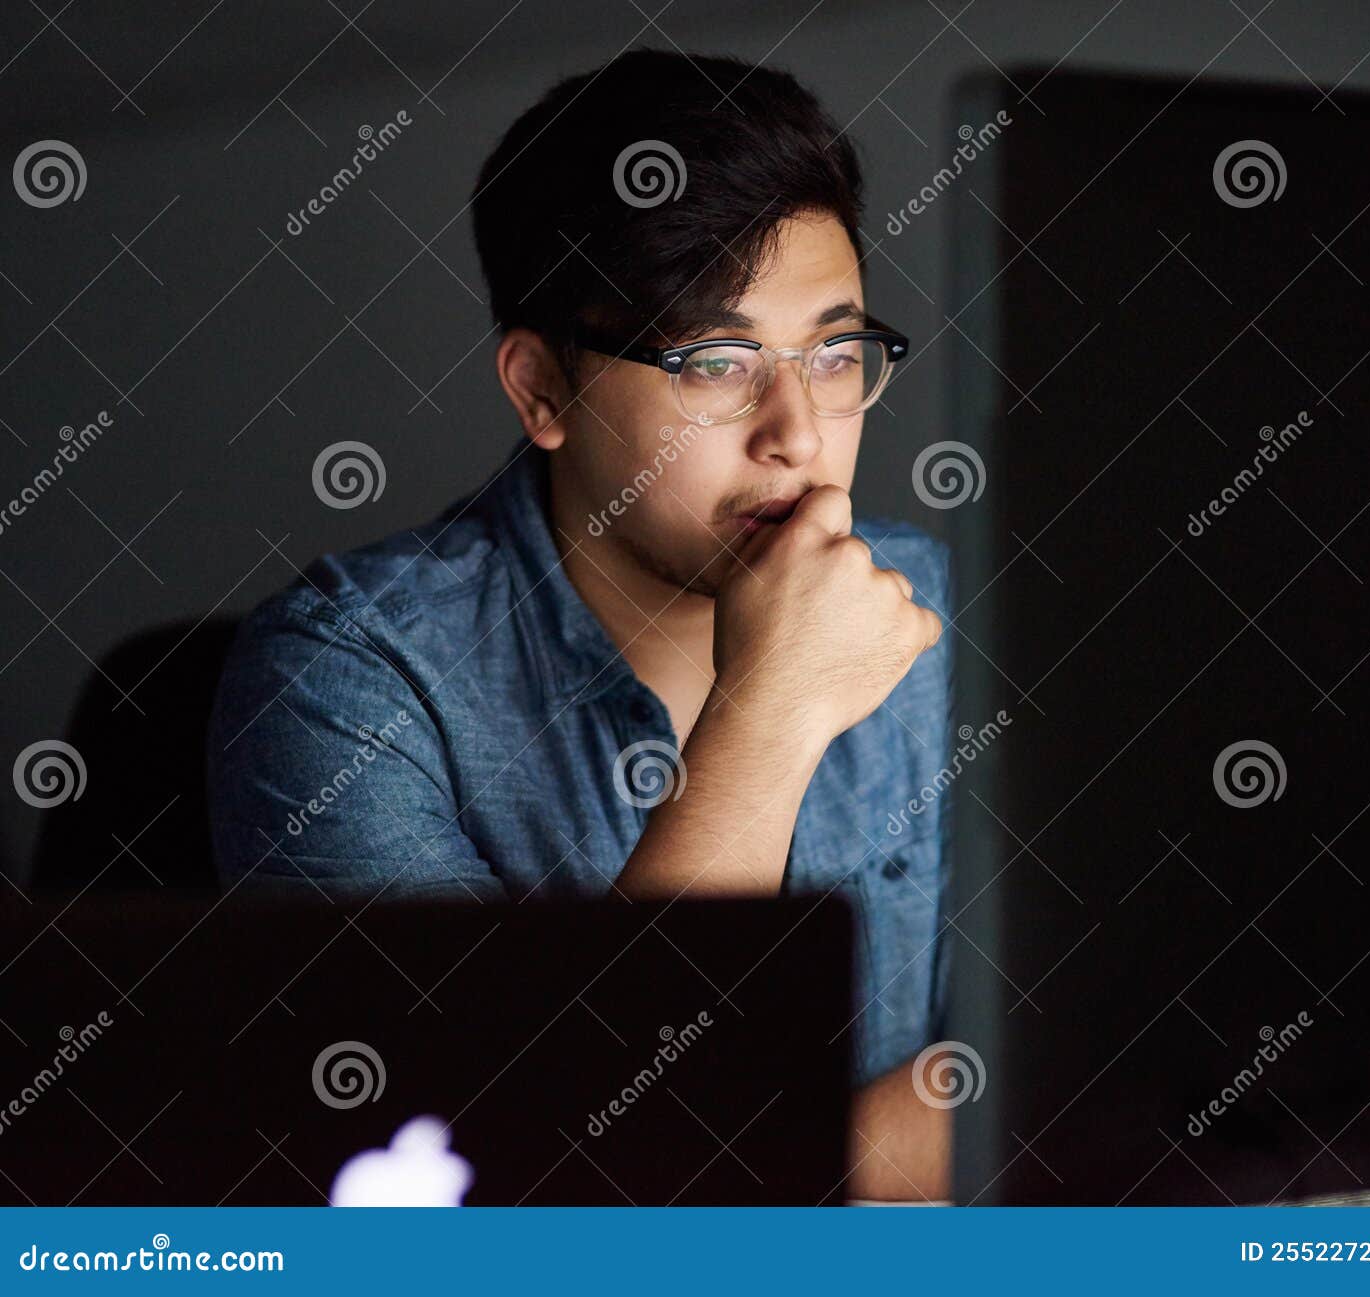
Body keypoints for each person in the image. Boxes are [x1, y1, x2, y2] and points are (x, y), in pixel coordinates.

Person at [207, 48, 954, 1200]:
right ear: (542, 390)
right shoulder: (340, 682)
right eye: (715, 361)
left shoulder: (942, 605)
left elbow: (1109, 1065)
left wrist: (752, 1171)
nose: (798, 434)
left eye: (834, 353)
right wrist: (770, 714)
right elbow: (523, 1199)